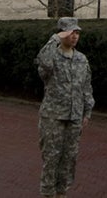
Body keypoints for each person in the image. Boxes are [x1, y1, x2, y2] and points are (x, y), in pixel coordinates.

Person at [36, 17, 94, 198]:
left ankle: (62, 192)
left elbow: (87, 86)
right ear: (61, 33)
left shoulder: (81, 59)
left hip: (74, 116)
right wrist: (55, 38)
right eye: (70, 33)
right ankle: (47, 193)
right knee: (51, 157)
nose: (74, 36)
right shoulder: (51, 57)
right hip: (53, 116)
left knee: (69, 158)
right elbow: (42, 62)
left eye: (77, 33)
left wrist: (87, 111)